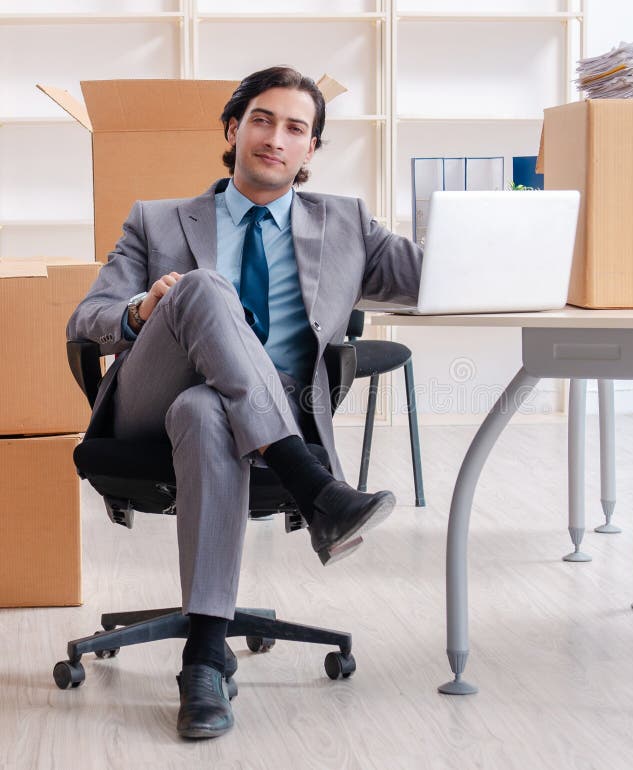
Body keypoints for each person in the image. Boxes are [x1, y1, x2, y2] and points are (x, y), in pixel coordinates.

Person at [67, 66, 423, 740]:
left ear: (311, 149)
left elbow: (432, 276)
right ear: (234, 131)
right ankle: (311, 484)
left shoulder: (346, 223)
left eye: (296, 128)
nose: (276, 137)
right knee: (199, 289)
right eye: (262, 119)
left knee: (207, 411)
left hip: (252, 406)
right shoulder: (158, 219)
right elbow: (87, 319)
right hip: (153, 392)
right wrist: (144, 308)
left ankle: (203, 660)